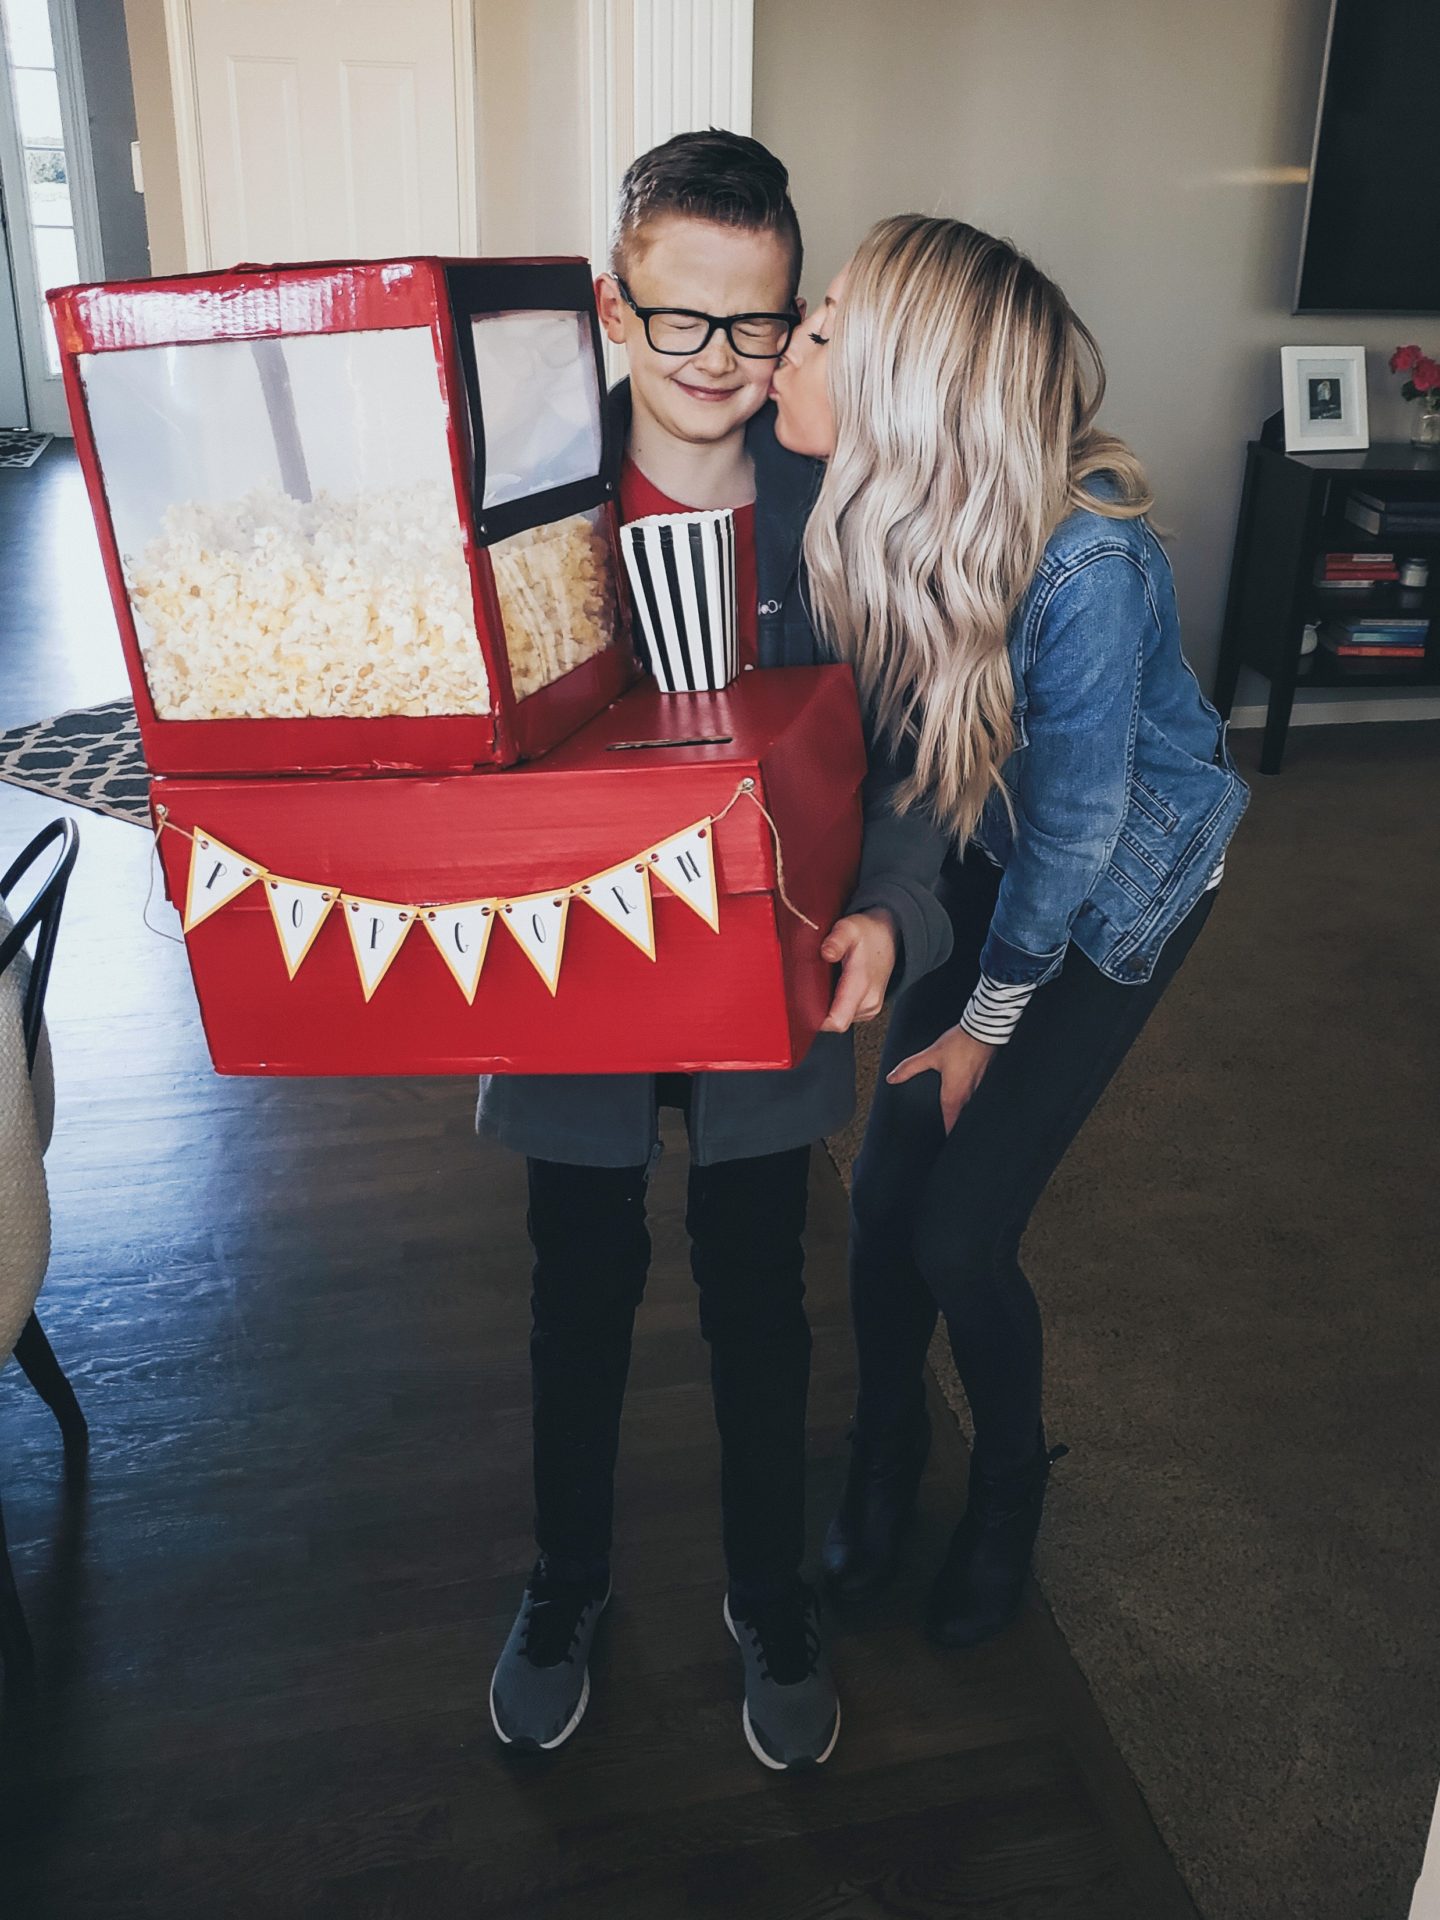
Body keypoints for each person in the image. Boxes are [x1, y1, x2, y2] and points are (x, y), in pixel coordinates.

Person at [480, 141, 951, 1767]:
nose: (717, 368)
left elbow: (909, 760)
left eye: (757, 331)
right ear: (613, 306)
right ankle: (566, 1579)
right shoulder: (524, 502)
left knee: (763, 1295)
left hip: (780, 986)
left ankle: (769, 1590)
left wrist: (896, 908)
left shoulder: (838, 513)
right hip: (579, 988)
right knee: (579, 1293)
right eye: (679, 322)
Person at [769, 214, 1249, 1649]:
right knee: (884, 1209)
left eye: (820, 329)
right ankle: (885, 1453)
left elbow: (1077, 836)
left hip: (1113, 893)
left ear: (905, 384)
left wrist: (984, 1026)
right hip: (988, 846)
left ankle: (1007, 1489)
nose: (789, 342)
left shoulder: (1086, 571)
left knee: (964, 1230)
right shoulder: (881, 503)